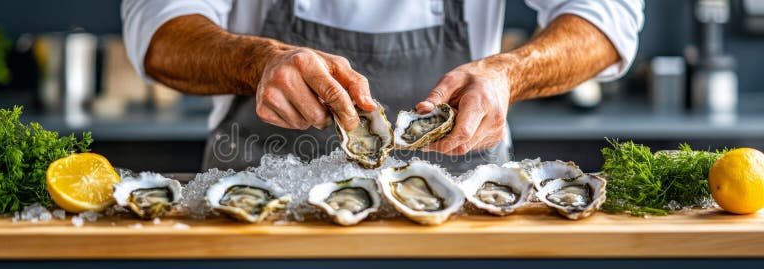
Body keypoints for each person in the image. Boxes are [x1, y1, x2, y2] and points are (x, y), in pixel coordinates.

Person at [122, 0, 644, 173]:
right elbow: (159, 29)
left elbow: (607, 16)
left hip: (459, 213)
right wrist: (258, 60)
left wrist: (511, 72)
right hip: (264, 218)